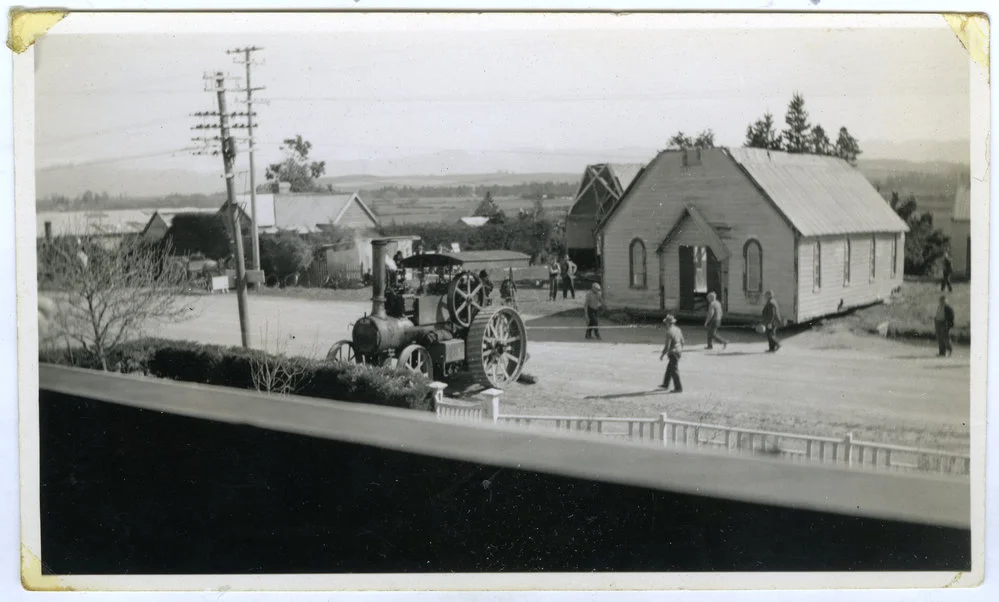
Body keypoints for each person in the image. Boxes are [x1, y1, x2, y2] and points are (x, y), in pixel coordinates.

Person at [659, 314, 684, 393]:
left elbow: (667, 346)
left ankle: (678, 388)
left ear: (668, 323)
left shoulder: (669, 332)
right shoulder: (678, 329)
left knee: (674, 370)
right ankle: (665, 384)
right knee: (670, 367)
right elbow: (682, 341)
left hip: (673, 352)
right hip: (678, 350)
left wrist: (662, 354)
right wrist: (680, 349)